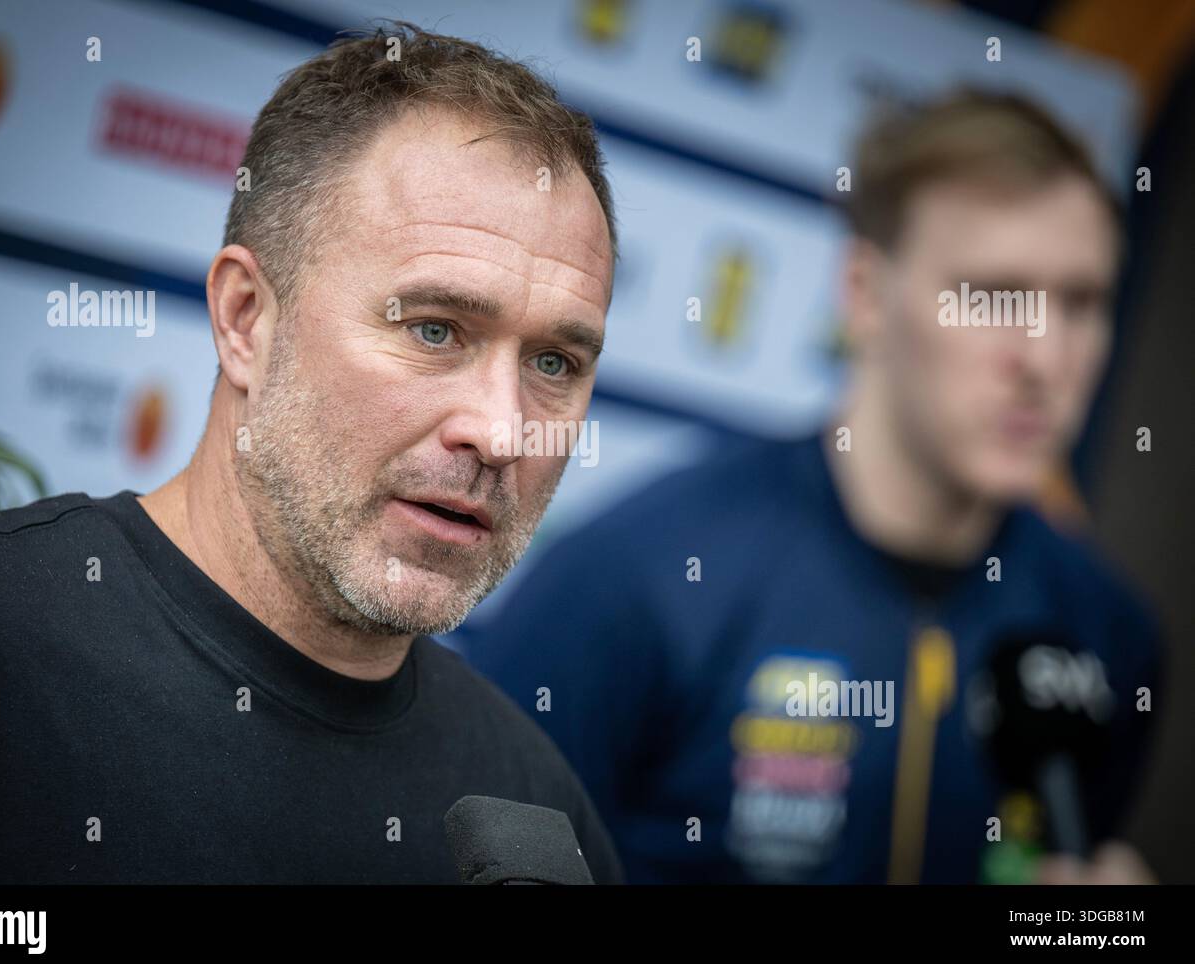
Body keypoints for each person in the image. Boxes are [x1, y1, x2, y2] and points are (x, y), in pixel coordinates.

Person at [0, 24, 622, 884]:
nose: (504, 433)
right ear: (246, 319)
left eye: (554, 364)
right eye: (434, 330)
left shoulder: (536, 810)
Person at [465, 90, 1164, 884]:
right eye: (990, 296)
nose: (1043, 358)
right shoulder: (642, 578)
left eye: (1080, 303)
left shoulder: (1107, 634)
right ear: (865, 293)